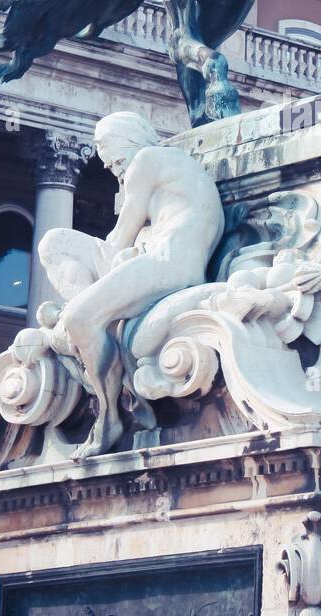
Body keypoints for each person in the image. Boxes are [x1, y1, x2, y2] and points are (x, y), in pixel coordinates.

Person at [37, 112, 224, 456]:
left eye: (108, 153)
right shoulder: (176, 171)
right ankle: (94, 327)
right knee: (52, 243)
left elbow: (121, 237)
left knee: (79, 318)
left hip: (168, 266)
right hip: (157, 259)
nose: (109, 167)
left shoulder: (146, 160)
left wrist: (96, 290)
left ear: (129, 139)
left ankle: (109, 417)